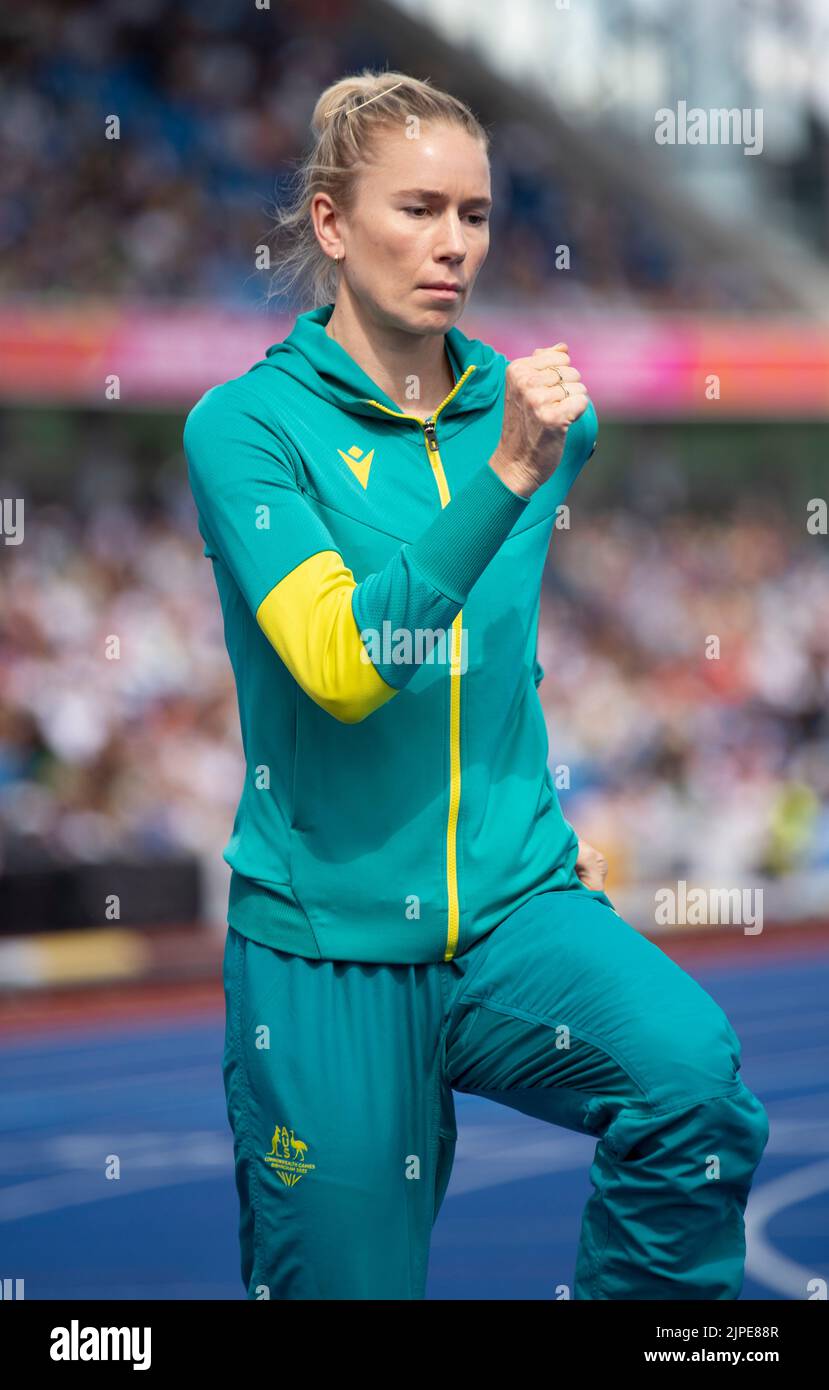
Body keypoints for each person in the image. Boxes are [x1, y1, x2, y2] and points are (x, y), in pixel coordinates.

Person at [183, 69, 769, 1300]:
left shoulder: (546, 419)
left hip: (515, 917)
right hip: (329, 951)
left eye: (475, 213)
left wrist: (515, 815)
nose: (452, 243)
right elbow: (347, 668)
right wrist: (504, 477)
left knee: (691, 1088)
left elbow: (503, 653)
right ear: (332, 223)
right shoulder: (245, 430)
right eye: (417, 209)